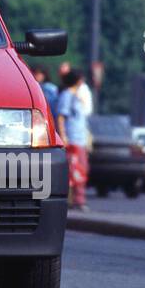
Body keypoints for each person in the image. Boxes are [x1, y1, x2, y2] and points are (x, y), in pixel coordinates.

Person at [56, 69, 90, 211]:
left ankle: (77, 199)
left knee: (81, 169)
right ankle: (76, 200)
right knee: (75, 170)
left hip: (80, 138)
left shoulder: (77, 96)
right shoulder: (67, 95)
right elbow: (61, 116)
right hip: (72, 138)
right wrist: (63, 135)